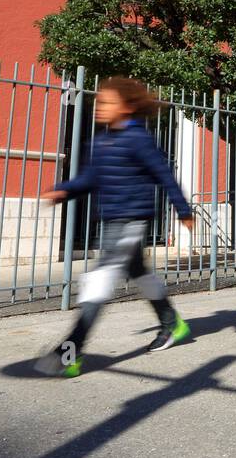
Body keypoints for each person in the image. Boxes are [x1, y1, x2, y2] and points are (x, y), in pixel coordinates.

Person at [38, 77, 195, 378]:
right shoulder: (99, 141)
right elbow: (88, 180)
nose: (100, 107)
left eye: (107, 103)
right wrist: (62, 190)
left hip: (131, 221)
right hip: (111, 222)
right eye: (99, 102)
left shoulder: (139, 138)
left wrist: (183, 210)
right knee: (139, 272)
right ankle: (171, 321)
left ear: (126, 107)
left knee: (98, 282)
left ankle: (70, 353)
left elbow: (165, 175)